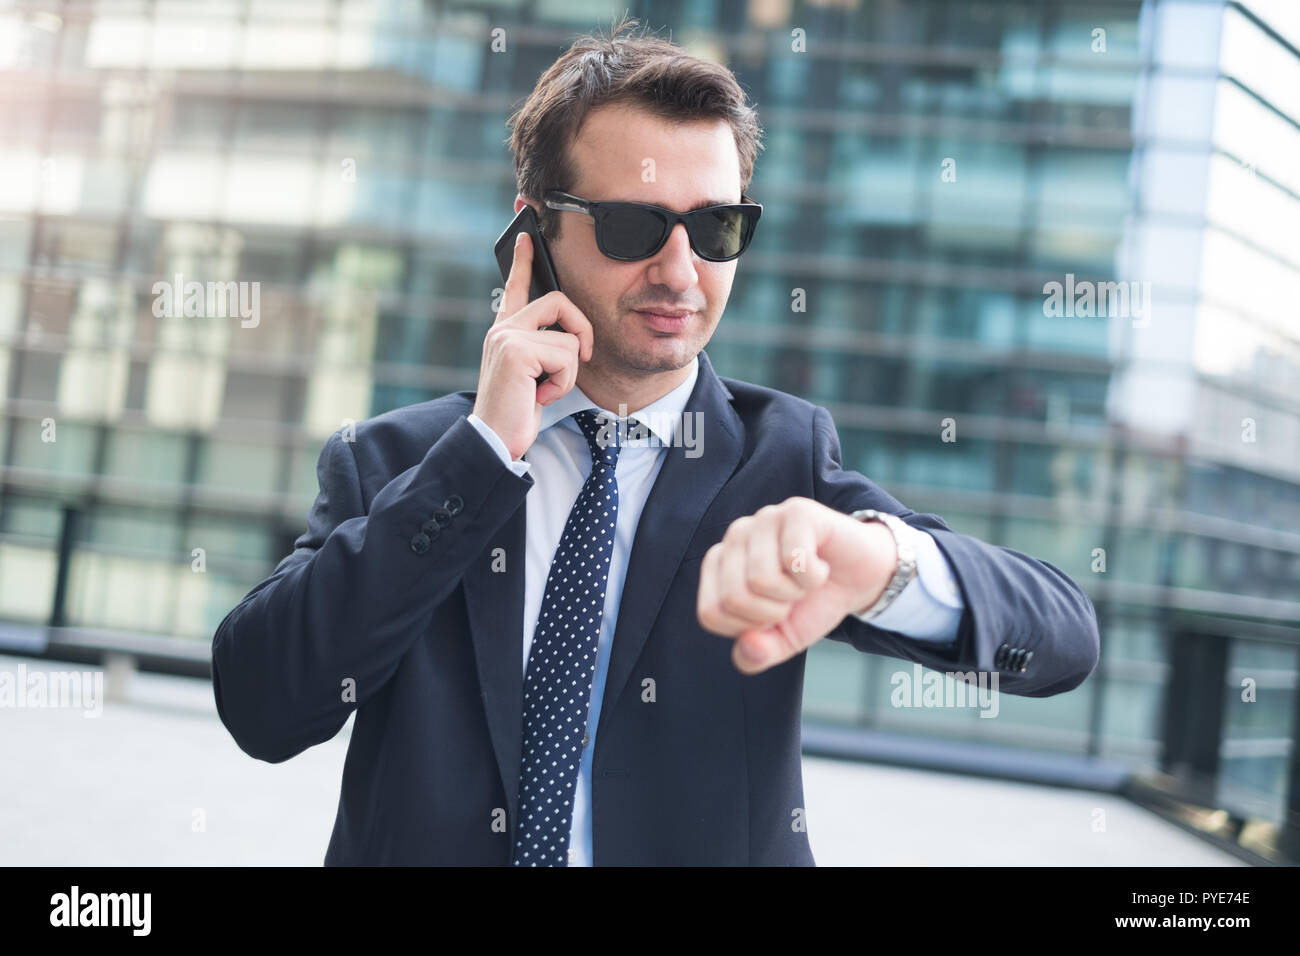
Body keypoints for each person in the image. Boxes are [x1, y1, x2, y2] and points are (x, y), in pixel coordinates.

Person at [211, 17, 1099, 866]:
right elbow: (263, 706)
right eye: (634, 226)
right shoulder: (400, 461)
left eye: (716, 228)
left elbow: (1059, 640)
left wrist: (882, 566)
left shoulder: (780, 457)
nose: (681, 271)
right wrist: (480, 457)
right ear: (534, 229)